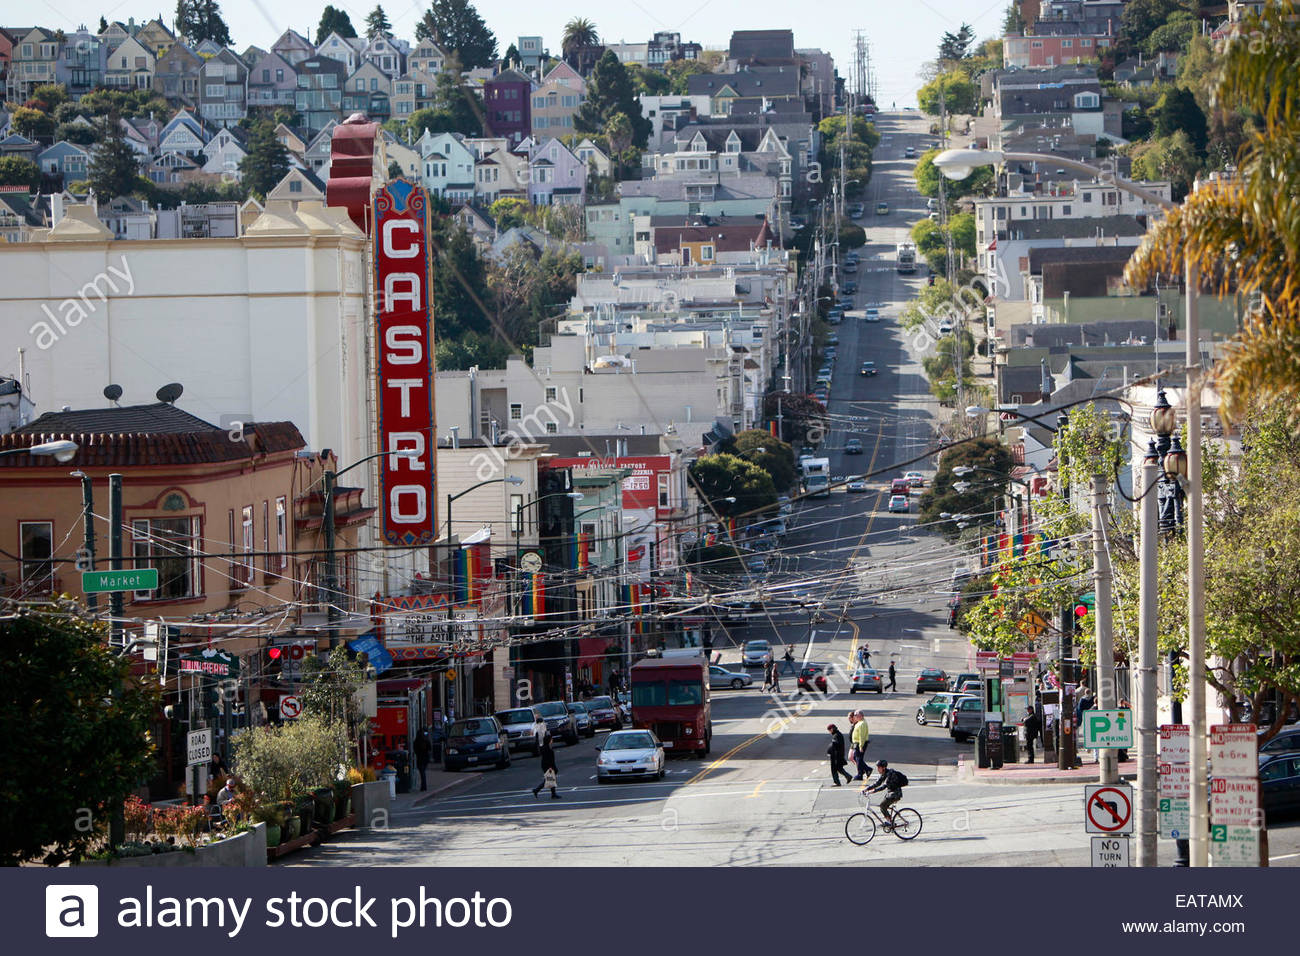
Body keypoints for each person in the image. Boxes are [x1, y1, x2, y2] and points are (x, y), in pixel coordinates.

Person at [863, 759, 907, 828]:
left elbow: (884, 786)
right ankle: (890, 822)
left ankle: (890, 822)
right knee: (883, 806)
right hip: (891, 793)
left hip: (895, 793)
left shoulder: (890, 773)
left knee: (882, 806)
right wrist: (867, 788)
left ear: (883, 767)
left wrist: (873, 791)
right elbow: (877, 783)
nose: (878, 769)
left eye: (879, 767)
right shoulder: (884, 774)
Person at [532, 733, 561, 799]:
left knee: (551, 779)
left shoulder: (546, 748)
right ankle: (537, 790)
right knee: (550, 780)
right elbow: (550, 760)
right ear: (549, 740)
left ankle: (552, 794)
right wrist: (552, 767)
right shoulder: (547, 749)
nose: (552, 740)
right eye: (551, 739)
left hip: (546, 766)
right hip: (548, 766)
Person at [850, 710, 871, 780]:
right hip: (856, 743)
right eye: (855, 715)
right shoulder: (859, 722)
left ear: (861, 716)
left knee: (858, 758)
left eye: (856, 715)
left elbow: (862, 736)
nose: (855, 717)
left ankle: (860, 774)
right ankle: (866, 770)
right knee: (856, 757)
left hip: (860, 743)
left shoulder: (862, 723)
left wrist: (861, 746)